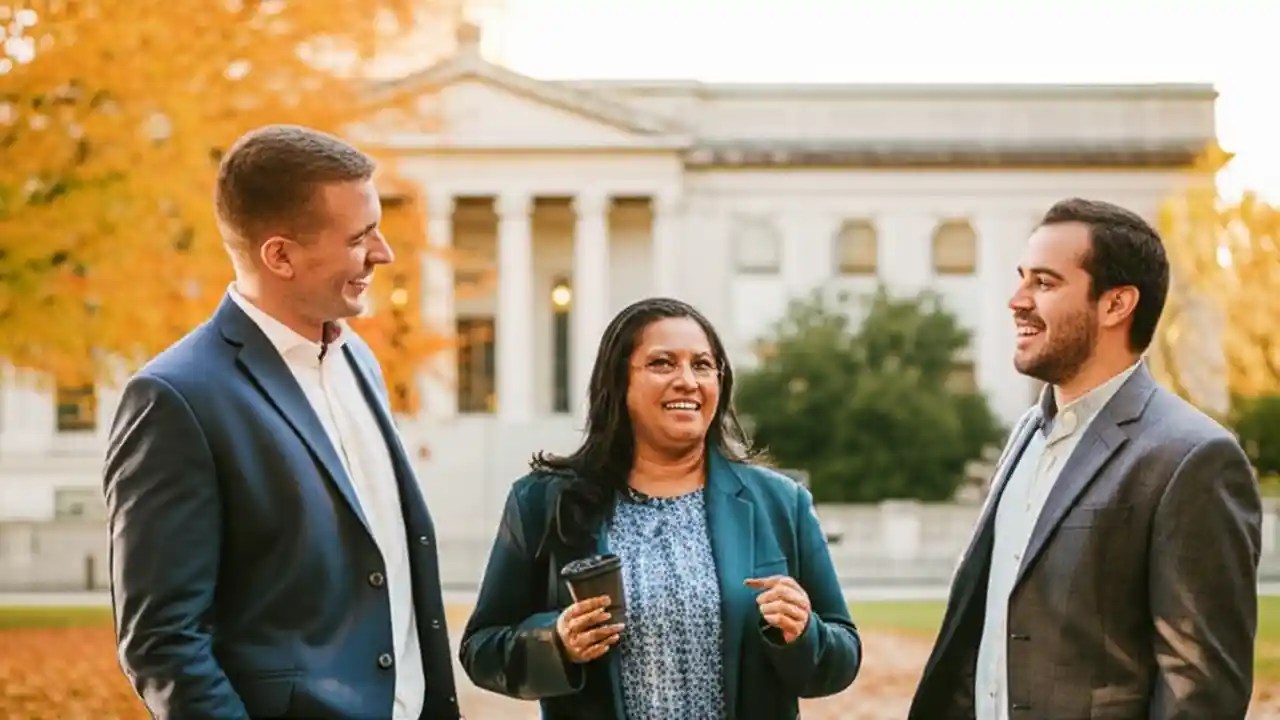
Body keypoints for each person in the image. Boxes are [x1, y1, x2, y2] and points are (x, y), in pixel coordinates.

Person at [102, 124, 460, 719]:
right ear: (280, 256)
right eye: (360, 236)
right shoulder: (175, 399)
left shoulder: (359, 362)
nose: (384, 253)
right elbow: (162, 641)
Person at [909, 197, 1263, 719]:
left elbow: (1201, 692)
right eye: (1022, 278)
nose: (1016, 300)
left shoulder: (1194, 459)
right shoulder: (1027, 432)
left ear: (1116, 304)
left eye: (1045, 283)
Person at [459, 297, 861, 719]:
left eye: (703, 365)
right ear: (618, 382)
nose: (687, 380)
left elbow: (842, 656)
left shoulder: (779, 502)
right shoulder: (544, 502)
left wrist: (803, 632)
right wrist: (555, 641)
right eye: (663, 363)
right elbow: (481, 649)